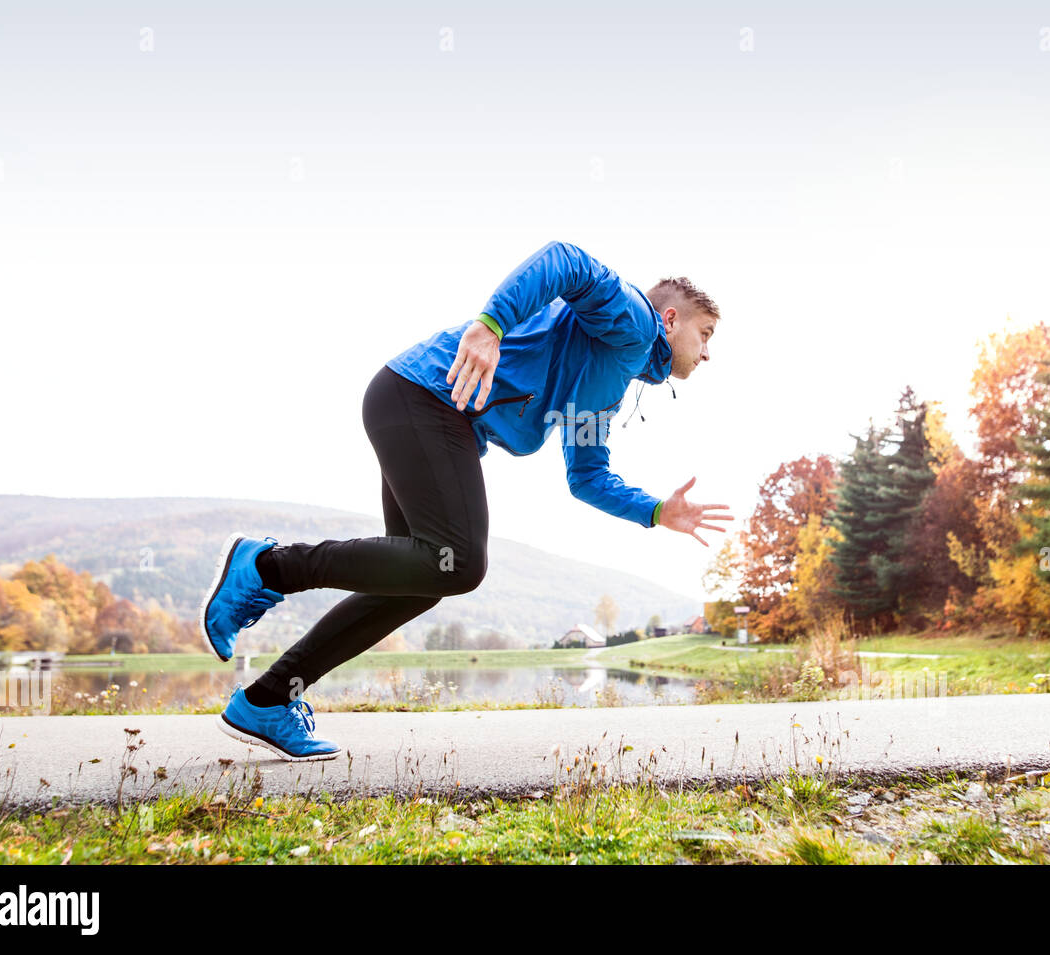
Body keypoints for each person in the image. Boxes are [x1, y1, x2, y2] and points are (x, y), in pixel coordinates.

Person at [201, 240, 733, 760]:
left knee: (419, 581)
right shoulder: (633, 320)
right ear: (669, 320)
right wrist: (490, 326)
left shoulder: (607, 376)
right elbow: (565, 260)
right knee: (457, 562)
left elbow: (588, 476)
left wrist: (657, 511)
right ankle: (266, 566)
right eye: (705, 334)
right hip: (423, 399)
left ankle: (268, 700)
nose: (707, 352)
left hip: (419, 410)